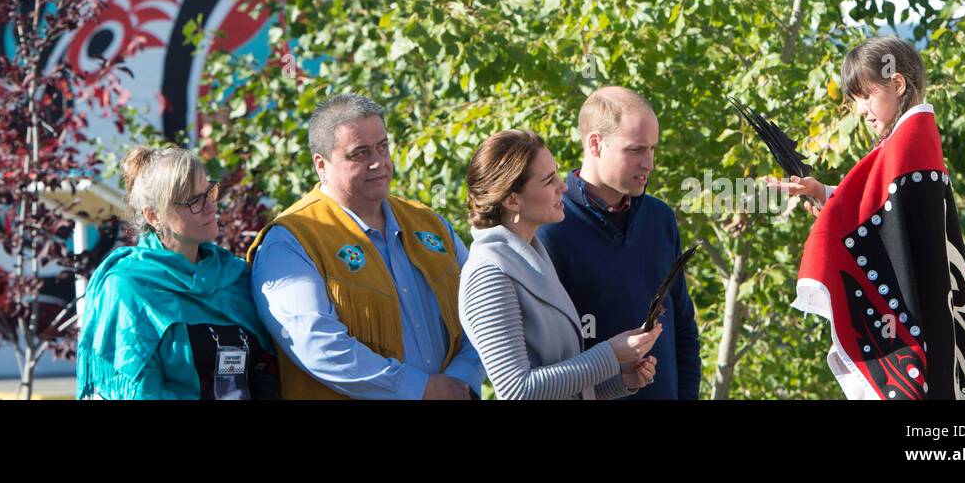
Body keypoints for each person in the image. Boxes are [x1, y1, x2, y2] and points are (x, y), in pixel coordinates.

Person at [769, 35, 965, 400]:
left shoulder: (909, 141)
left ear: (896, 83)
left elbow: (881, 217)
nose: (861, 111)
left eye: (866, 96)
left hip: (945, 313)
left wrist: (837, 211)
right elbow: (881, 212)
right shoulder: (905, 142)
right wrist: (829, 197)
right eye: (855, 101)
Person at [248, 93, 484, 399]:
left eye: (382, 146)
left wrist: (460, 380)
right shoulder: (290, 240)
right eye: (359, 153)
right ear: (321, 164)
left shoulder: (429, 223)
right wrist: (418, 389)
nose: (379, 163)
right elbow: (317, 345)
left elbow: (482, 311)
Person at [459, 128, 659, 399]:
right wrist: (611, 354)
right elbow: (518, 390)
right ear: (512, 200)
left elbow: (562, 379)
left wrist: (621, 378)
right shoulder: (489, 274)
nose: (563, 187)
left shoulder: (531, 255)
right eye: (548, 180)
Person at [76, 144, 277, 400]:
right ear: (154, 215)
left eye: (209, 192)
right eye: (194, 201)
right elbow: (139, 391)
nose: (211, 207)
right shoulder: (129, 288)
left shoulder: (236, 275)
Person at [538, 86, 701, 400]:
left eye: (653, 149)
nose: (649, 164)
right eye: (636, 150)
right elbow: (544, 360)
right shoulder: (549, 227)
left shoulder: (660, 218)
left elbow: (682, 329)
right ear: (596, 144)